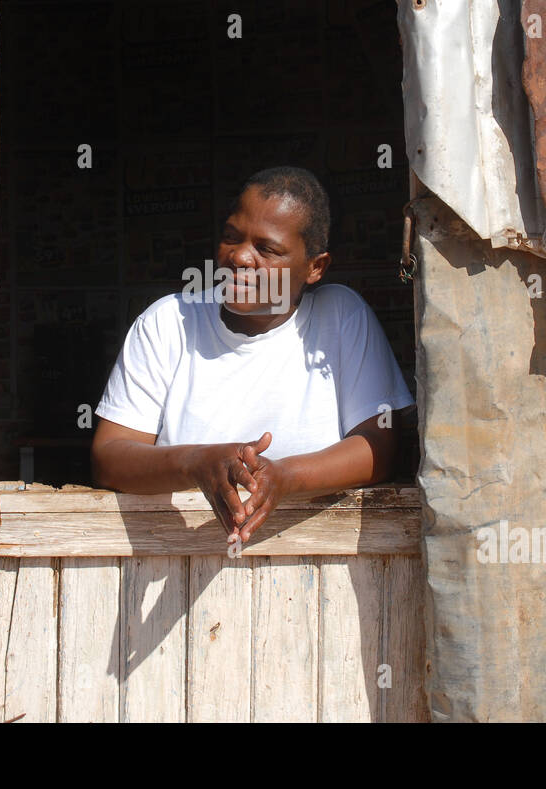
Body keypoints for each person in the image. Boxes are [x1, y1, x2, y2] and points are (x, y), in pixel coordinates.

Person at [91, 166, 414, 545]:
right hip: (178, 555)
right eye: (231, 237)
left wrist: (285, 477)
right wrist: (195, 462)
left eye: (267, 249)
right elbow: (109, 456)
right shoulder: (169, 321)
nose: (240, 257)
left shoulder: (340, 317)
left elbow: (379, 445)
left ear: (315, 267)